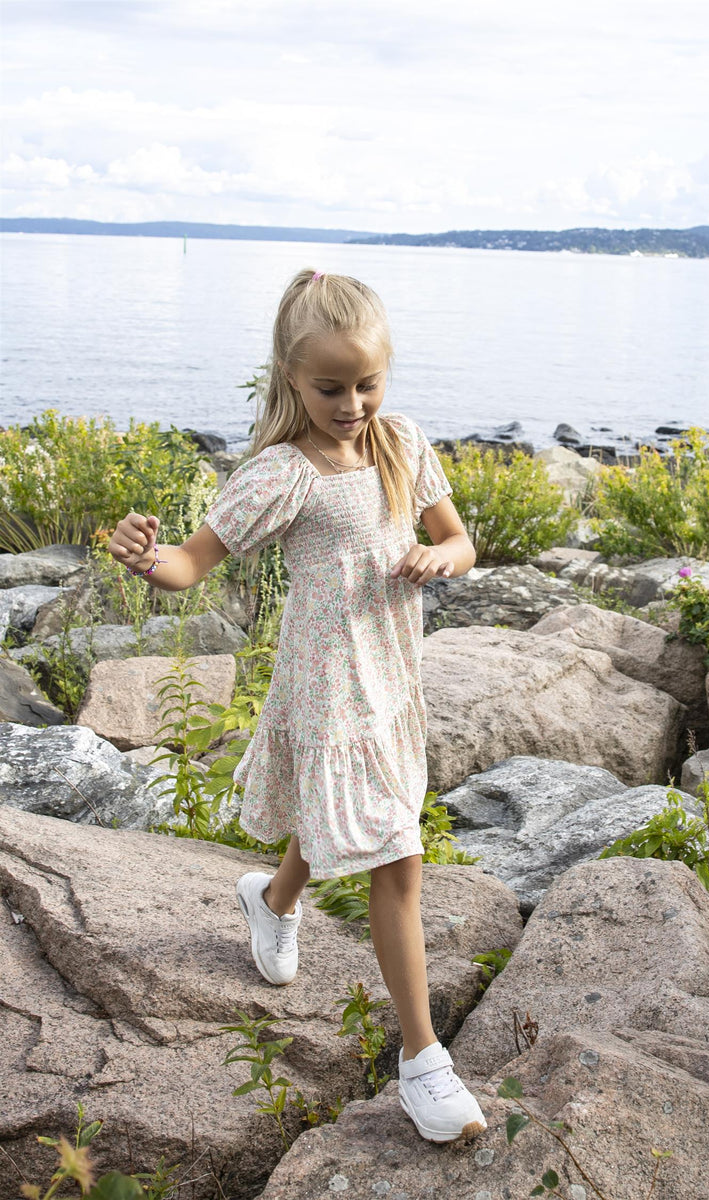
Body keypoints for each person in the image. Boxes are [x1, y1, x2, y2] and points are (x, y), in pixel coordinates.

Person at [108, 268, 487, 1144]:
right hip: (325, 684)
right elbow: (187, 566)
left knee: (339, 819)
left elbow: (460, 539)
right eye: (330, 387)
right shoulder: (283, 475)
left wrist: (445, 561)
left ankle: (274, 901)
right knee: (398, 857)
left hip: (391, 679)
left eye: (367, 383)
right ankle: (423, 1064)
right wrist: (141, 554)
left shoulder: (400, 442)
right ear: (290, 377)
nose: (352, 403)